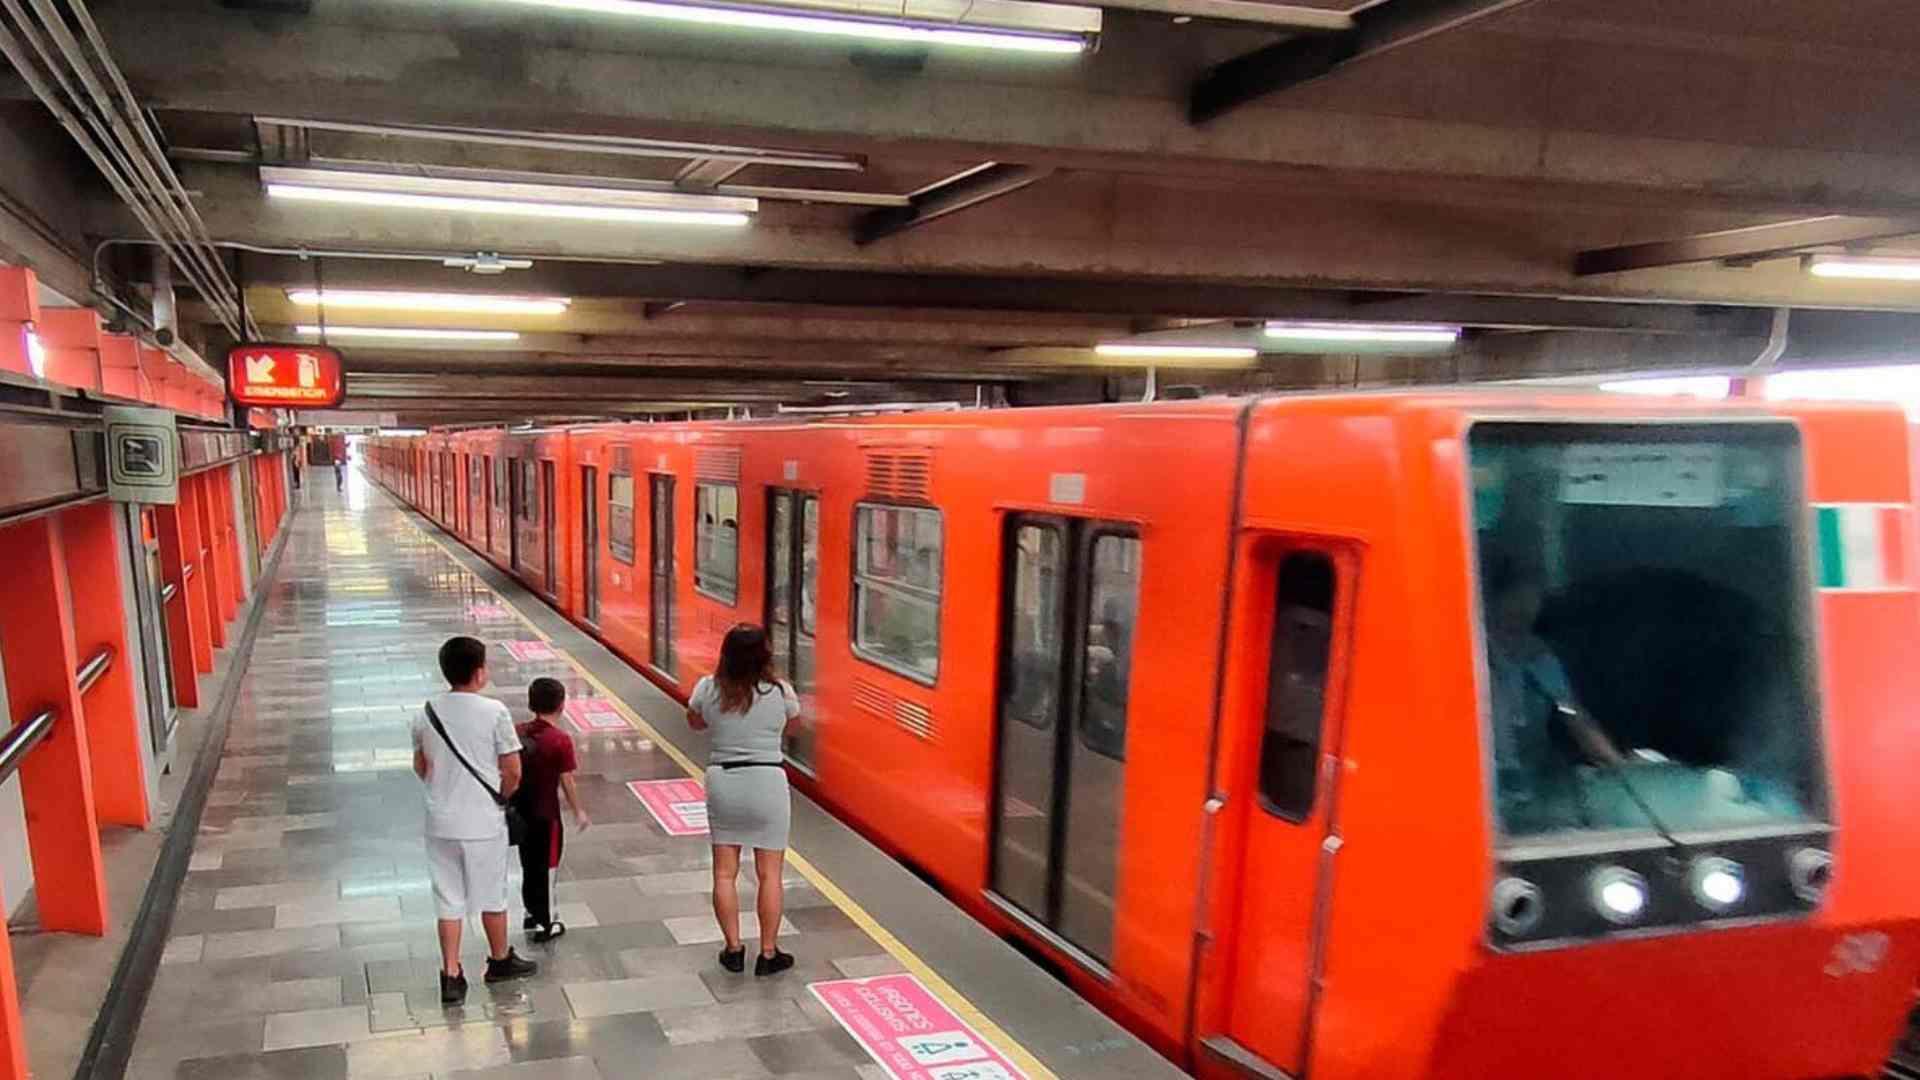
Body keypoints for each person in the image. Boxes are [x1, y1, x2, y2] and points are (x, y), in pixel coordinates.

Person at [412, 636, 538, 1005]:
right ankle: (499, 960)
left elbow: (421, 765)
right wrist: (501, 795)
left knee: (447, 898)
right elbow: (512, 770)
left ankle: (451, 975)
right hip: (483, 821)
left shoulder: (426, 712)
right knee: (492, 894)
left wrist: (444, 789)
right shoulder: (494, 711)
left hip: (440, 821)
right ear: (480, 672)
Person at [686, 625, 801, 977]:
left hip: (724, 780)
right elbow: (793, 728)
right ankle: (768, 953)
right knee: (770, 874)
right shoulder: (780, 690)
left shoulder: (709, 687)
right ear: (765, 655)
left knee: (724, 872)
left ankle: (733, 950)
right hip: (768, 780)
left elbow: (694, 722)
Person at [1484, 557, 1625, 832]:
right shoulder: (1472, 652)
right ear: (1494, 600)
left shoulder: (1542, 659)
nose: (1528, 607)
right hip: (1484, 794)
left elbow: (1573, 715)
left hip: (1531, 792)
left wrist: (1618, 764)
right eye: (1519, 597)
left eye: (1534, 598)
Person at [514, 677, 590, 943]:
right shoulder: (560, 740)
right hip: (547, 816)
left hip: (521, 814)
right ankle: (548, 921)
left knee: (528, 864)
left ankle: (529, 912)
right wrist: (578, 810)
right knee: (547, 868)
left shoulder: (518, 731)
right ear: (562, 705)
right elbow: (566, 779)